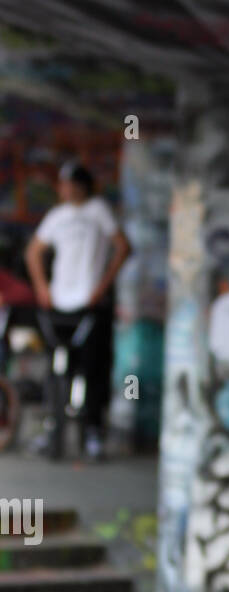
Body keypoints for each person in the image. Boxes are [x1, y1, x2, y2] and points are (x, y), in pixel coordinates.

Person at [24, 161, 131, 459]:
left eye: (72, 183)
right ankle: (51, 428)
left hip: (90, 305)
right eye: (63, 184)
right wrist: (41, 287)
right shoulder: (57, 216)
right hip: (58, 304)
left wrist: (102, 287)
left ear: (84, 186)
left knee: (93, 368)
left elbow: (123, 247)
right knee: (56, 368)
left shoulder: (99, 211)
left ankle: (94, 431)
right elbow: (33, 251)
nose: (67, 189)